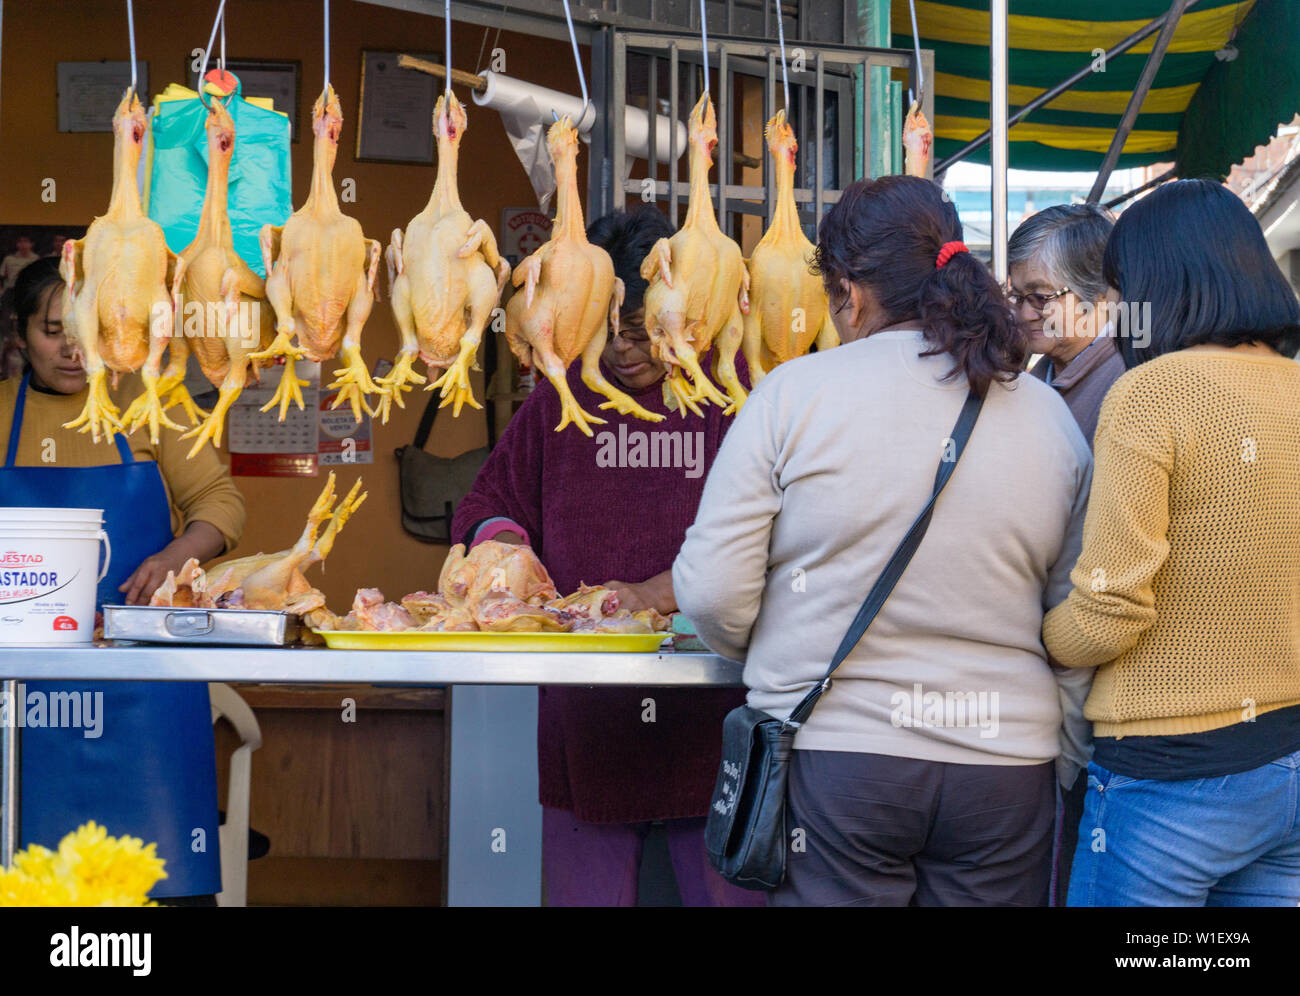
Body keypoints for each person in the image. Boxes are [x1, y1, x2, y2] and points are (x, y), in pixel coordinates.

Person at [674, 175, 1094, 907]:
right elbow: (1074, 615)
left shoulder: (793, 396)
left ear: (851, 292)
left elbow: (712, 592)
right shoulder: (1048, 418)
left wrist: (781, 642)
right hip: (1006, 773)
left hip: (841, 766)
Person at [450, 207, 762, 907]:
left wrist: (661, 591)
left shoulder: (732, 392)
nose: (624, 352)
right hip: (587, 717)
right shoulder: (561, 397)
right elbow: (484, 505)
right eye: (608, 331)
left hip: (713, 712)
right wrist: (507, 552)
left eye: (642, 332)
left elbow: (778, 538)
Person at [1043, 179, 1300, 907]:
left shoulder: (1152, 393)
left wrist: (1037, 636)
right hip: (1287, 764)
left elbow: (1109, 612)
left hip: (1170, 778)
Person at [0, 256, 246, 904]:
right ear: (21, 334)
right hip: (20, 697)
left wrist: (175, 556)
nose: (73, 348)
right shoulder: (1, 413)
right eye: (53, 330)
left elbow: (221, 503)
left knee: (164, 875)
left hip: (146, 683)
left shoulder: (152, 402)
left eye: (87, 328)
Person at [1007, 203, 1121, 906]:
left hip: (1099, 694)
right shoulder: (1051, 381)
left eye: (1038, 298)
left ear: (1103, 297)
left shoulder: (1120, 391)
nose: (1019, 313)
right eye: (1013, 296)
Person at [1008, 204, 1125, 444]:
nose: (1025, 314)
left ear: (1098, 291)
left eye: (1040, 298)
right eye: (1018, 297)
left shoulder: (1128, 387)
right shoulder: (1037, 375)